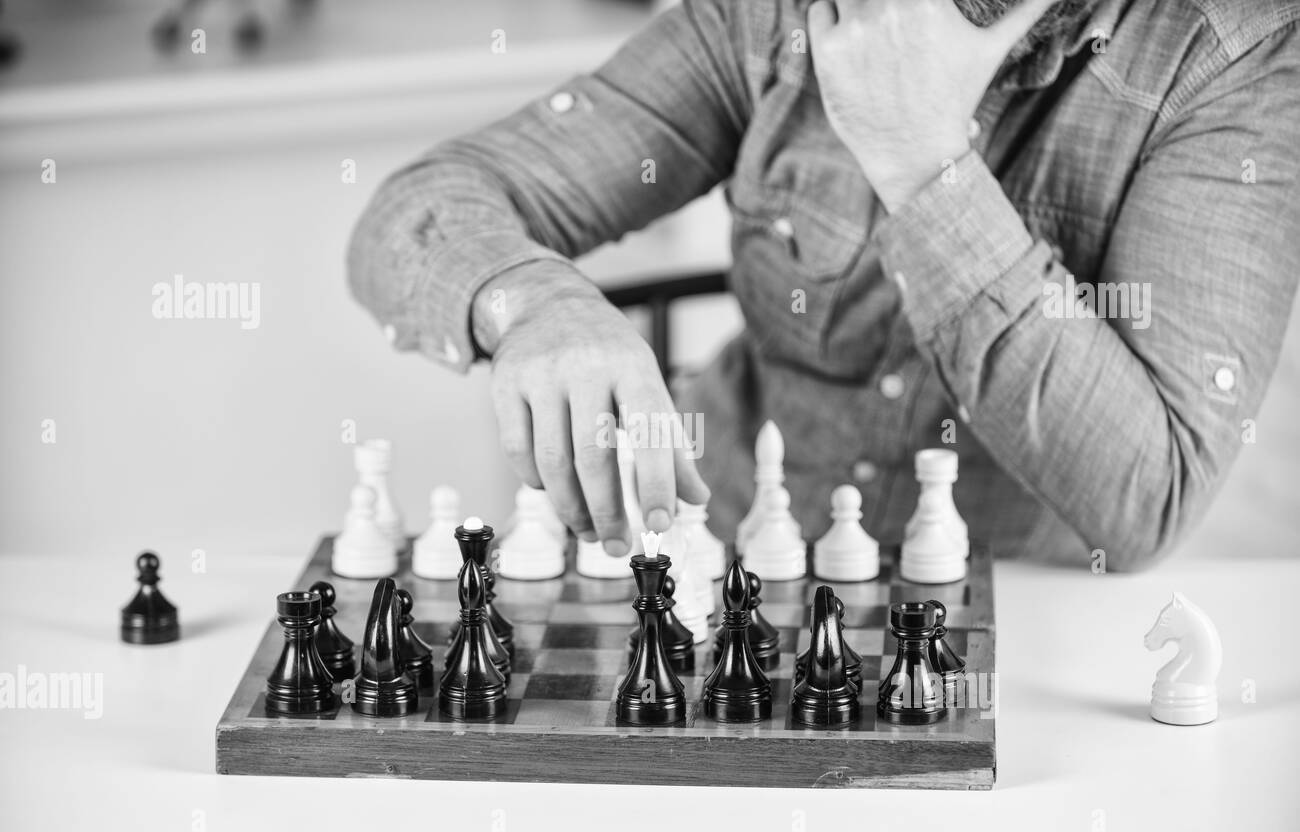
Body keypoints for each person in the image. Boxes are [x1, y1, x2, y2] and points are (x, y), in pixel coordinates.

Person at [347, 0, 1300, 569]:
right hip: (721, 555)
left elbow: (1149, 495)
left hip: (1026, 626)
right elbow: (421, 208)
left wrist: (921, 157)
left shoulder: (1237, 52)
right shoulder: (769, 15)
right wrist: (533, 300)